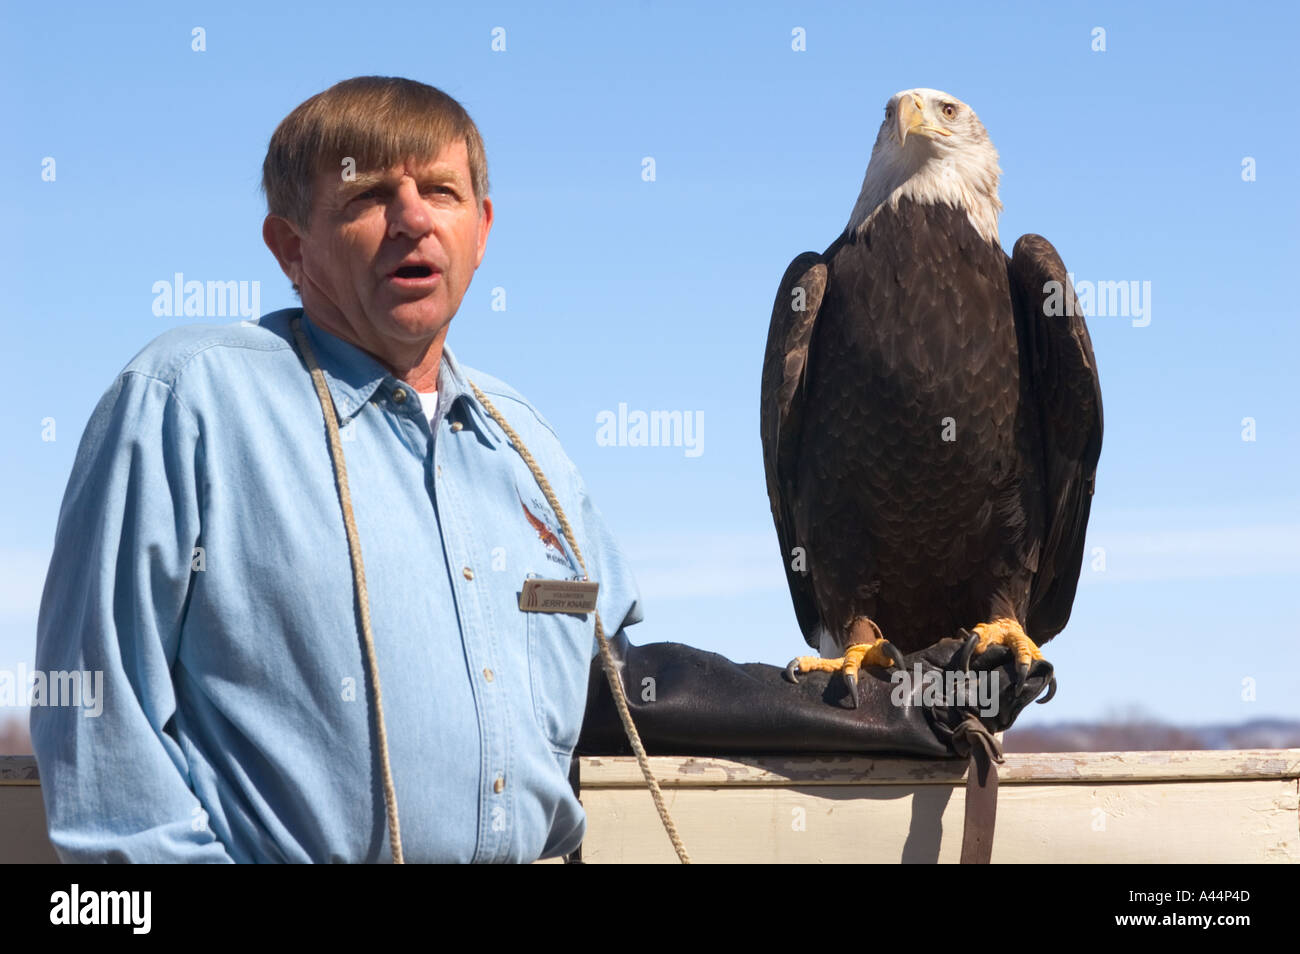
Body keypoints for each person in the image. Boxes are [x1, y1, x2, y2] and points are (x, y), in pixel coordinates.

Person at [30, 75, 642, 863]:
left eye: (443, 192)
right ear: (291, 247)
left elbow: (614, 678)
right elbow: (97, 722)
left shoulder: (530, 446)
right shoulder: (188, 399)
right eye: (369, 195)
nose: (415, 218)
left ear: (481, 230)